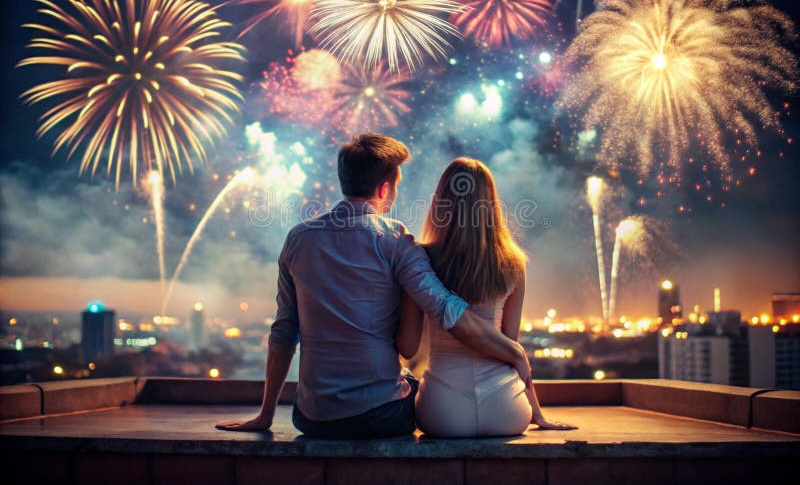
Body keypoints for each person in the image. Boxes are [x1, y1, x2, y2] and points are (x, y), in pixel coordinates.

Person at [216, 135, 532, 438]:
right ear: (383, 189)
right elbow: (444, 308)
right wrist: (513, 351)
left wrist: (265, 415)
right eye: (395, 188)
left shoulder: (298, 239)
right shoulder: (396, 241)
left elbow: (283, 332)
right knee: (415, 386)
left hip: (312, 418)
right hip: (381, 416)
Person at [395, 158, 577, 437]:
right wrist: (537, 413)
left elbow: (407, 346)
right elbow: (507, 346)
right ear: (491, 203)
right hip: (507, 410)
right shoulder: (513, 263)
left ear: (440, 202)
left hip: (442, 412)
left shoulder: (421, 260)